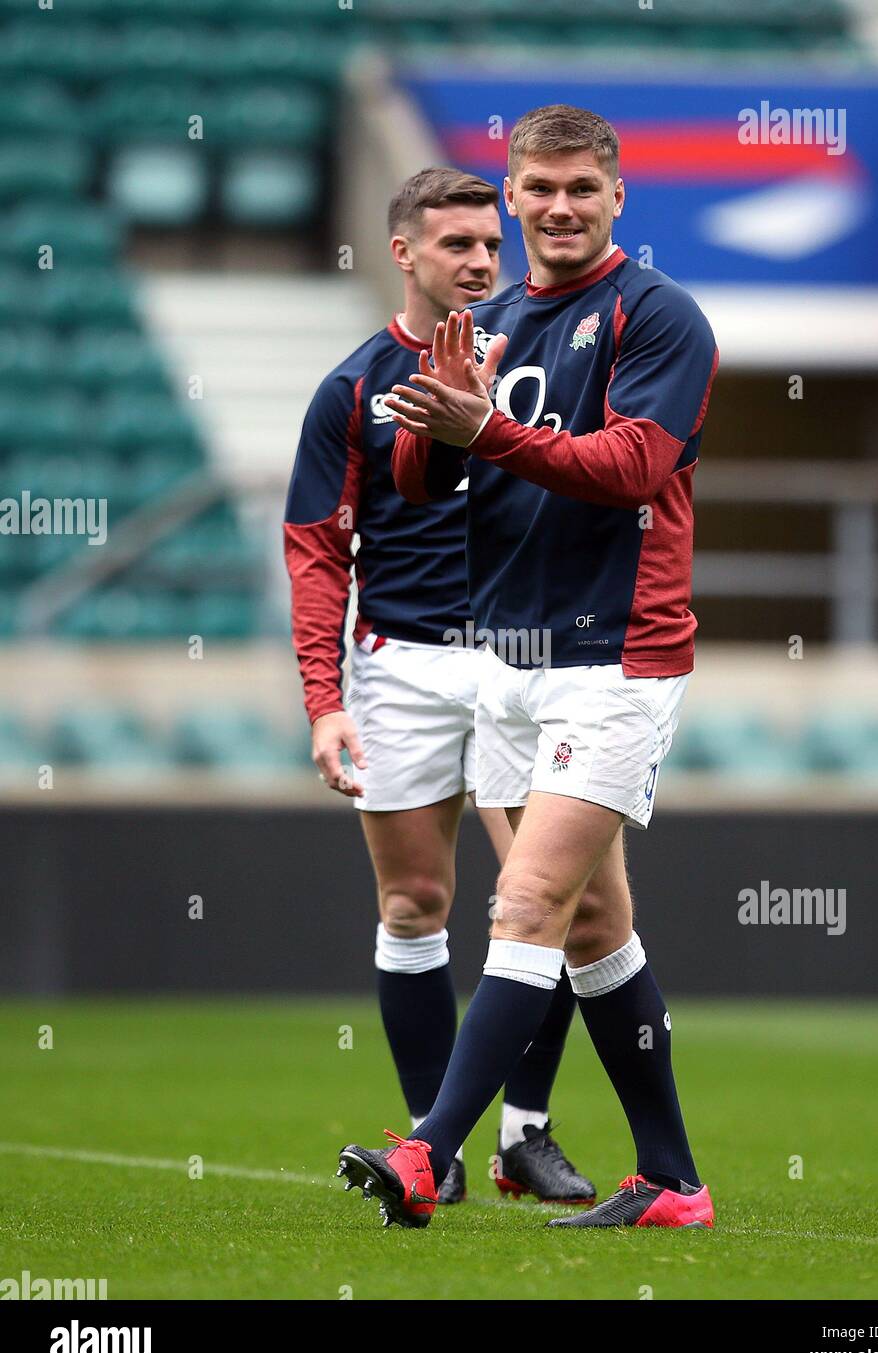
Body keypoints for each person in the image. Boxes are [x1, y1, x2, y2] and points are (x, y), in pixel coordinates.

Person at [338, 105, 719, 1230]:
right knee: (595, 929)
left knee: (527, 897)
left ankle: (426, 1152)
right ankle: (671, 1181)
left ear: (615, 199)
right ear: (510, 197)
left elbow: (631, 466)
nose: (558, 208)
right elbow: (416, 480)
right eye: (538, 189)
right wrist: (433, 424)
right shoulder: (490, 320)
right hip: (505, 657)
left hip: (615, 655)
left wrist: (483, 429)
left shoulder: (658, 316)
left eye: (580, 190)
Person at [284, 166, 594, 1205]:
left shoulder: (540, 356)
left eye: (487, 245)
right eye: (455, 245)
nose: (477, 261)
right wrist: (323, 700)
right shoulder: (352, 386)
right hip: (402, 665)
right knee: (415, 902)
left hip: (524, 655)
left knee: (548, 897)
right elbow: (318, 548)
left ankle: (522, 1129)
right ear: (403, 253)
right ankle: (436, 1147)